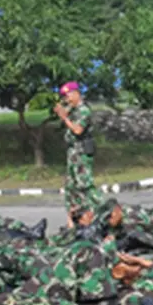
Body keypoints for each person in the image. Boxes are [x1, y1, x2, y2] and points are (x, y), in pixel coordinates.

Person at [55, 81, 100, 228]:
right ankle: (72, 221)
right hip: (72, 152)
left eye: (67, 96)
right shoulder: (74, 110)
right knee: (70, 187)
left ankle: (100, 213)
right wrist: (64, 113)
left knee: (85, 185)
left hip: (81, 153)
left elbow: (78, 130)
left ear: (76, 93)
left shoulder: (84, 110)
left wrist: (65, 118)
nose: (66, 100)